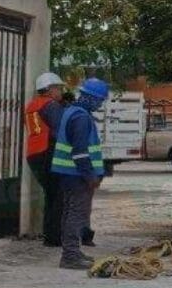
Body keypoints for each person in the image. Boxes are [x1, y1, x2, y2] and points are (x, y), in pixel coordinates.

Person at [50, 78, 109, 270]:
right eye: (99, 100)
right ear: (90, 98)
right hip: (77, 175)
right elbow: (80, 151)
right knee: (76, 214)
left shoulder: (72, 112)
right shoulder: (81, 117)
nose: (100, 104)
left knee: (69, 213)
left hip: (69, 174)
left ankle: (72, 251)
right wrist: (90, 176)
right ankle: (70, 256)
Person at [24, 72, 68, 246]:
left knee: (51, 194)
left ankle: (50, 235)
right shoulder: (51, 105)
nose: (61, 91)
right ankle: (54, 237)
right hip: (48, 152)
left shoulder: (32, 105)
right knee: (58, 196)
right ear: (50, 90)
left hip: (34, 155)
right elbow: (60, 130)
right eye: (58, 88)